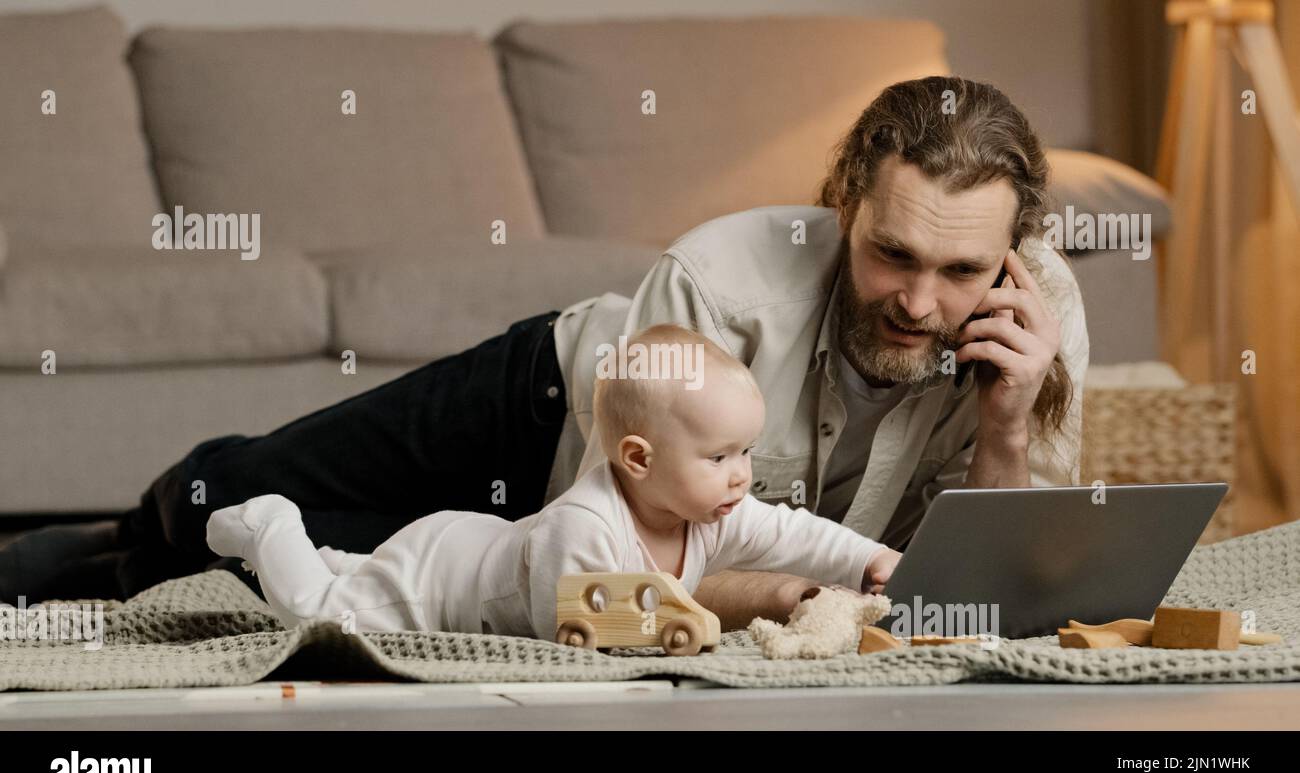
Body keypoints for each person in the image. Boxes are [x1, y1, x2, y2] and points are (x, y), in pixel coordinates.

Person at [0, 76, 1087, 630]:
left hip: (627, 535)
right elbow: (611, 547)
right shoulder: (721, 279)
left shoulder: (1036, 314)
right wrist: (788, 601)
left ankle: (128, 558)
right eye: (890, 253)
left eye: (959, 272)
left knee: (300, 573)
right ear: (843, 204)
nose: (918, 301)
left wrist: (1005, 419)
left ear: (1012, 248)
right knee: (219, 503)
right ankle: (72, 544)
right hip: (548, 420)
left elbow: (1001, 590)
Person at [205, 325, 903, 639]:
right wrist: (683, 621)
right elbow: (567, 619)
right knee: (327, 619)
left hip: (474, 544)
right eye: (720, 456)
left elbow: (794, 530)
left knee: (363, 576)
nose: (742, 473)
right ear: (637, 458)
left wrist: (870, 558)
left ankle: (349, 563)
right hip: (440, 577)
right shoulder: (586, 521)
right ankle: (273, 526)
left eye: (746, 450)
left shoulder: (713, 508)